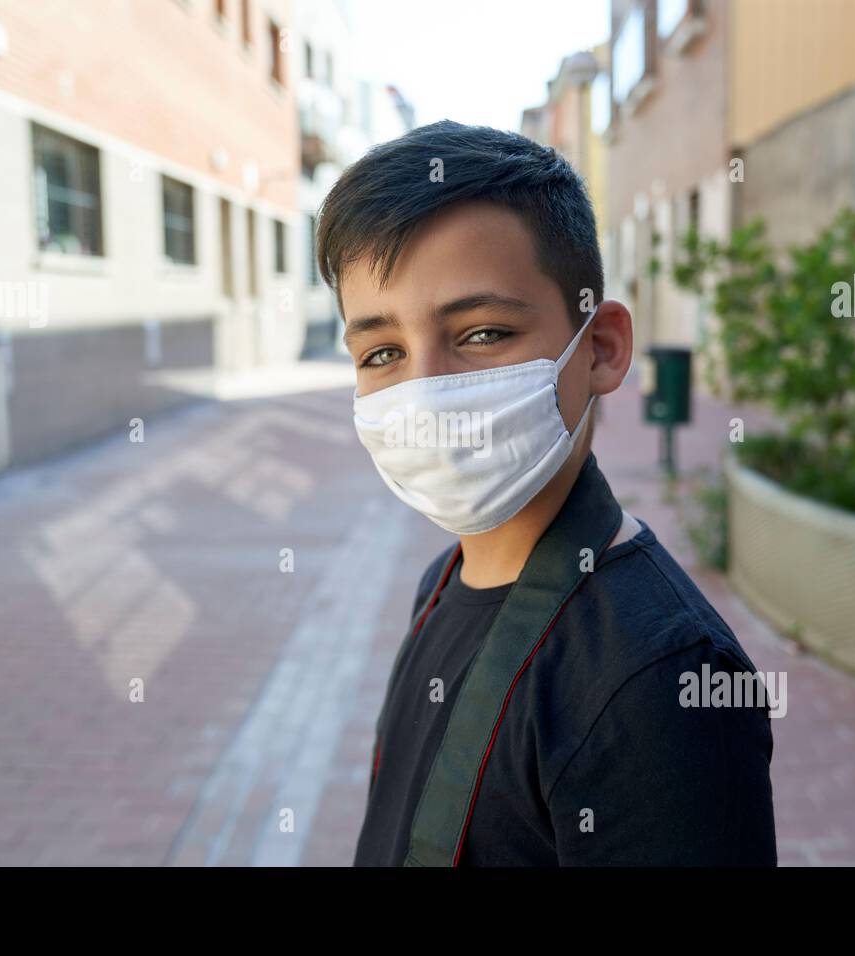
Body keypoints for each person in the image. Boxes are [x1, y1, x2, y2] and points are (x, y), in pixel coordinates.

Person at [316, 119, 777, 866]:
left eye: (483, 334)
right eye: (383, 352)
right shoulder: (443, 583)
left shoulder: (658, 678)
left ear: (601, 347)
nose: (426, 392)